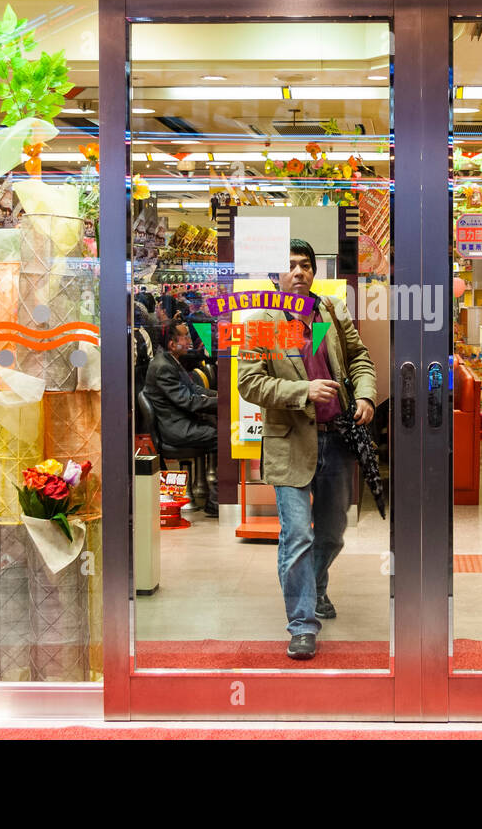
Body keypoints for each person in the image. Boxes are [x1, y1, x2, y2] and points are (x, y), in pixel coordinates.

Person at [237, 239, 377, 661]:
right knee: (296, 535)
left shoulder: (331, 312)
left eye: (306, 266)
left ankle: (315, 587)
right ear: (277, 276)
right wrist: (304, 390)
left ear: (315, 272)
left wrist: (367, 395)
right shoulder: (263, 321)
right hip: (289, 443)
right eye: (291, 266)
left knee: (331, 534)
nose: (299, 272)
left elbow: (360, 360)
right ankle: (301, 625)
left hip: (336, 438)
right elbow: (250, 382)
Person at [144, 319, 219, 517]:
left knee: (221, 428)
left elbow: (194, 389)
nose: (189, 342)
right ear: (171, 343)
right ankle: (217, 501)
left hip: (182, 421)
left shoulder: (171, 360)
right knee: (223, 436)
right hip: (175, 429)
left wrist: (221, 397)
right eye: (185, 337)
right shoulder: (163, 366)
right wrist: (221, 404)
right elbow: (188, 401)